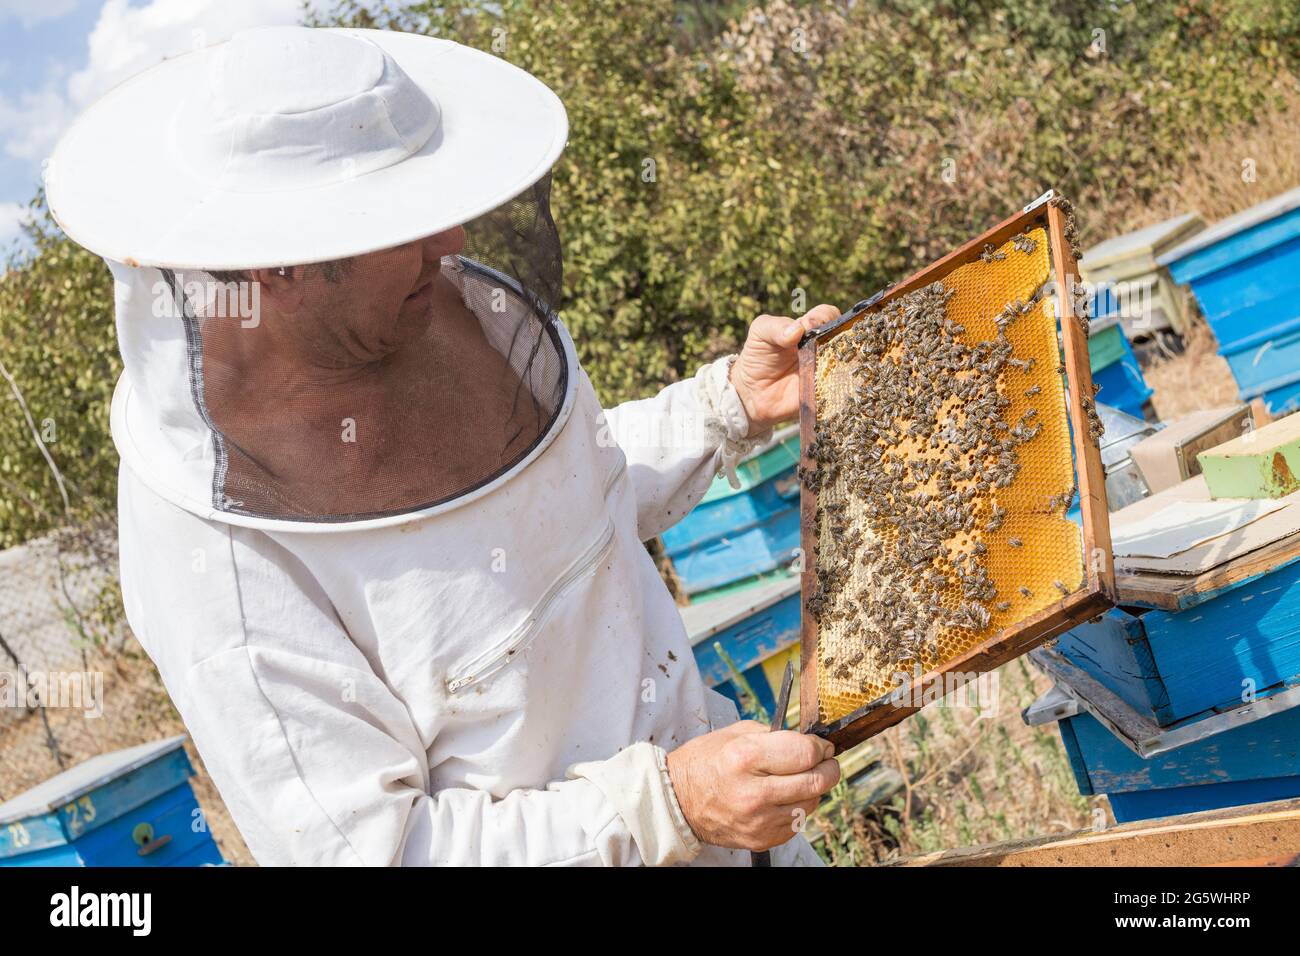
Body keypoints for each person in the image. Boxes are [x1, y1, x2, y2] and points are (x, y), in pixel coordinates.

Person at [46, 24, 840, 866]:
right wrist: (664, 807)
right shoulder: (217, 568)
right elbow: (384, 854)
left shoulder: (450, 315)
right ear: (280, 268)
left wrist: (726, 410)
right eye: (402, 225)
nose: (451, 243)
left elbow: (578, 491)